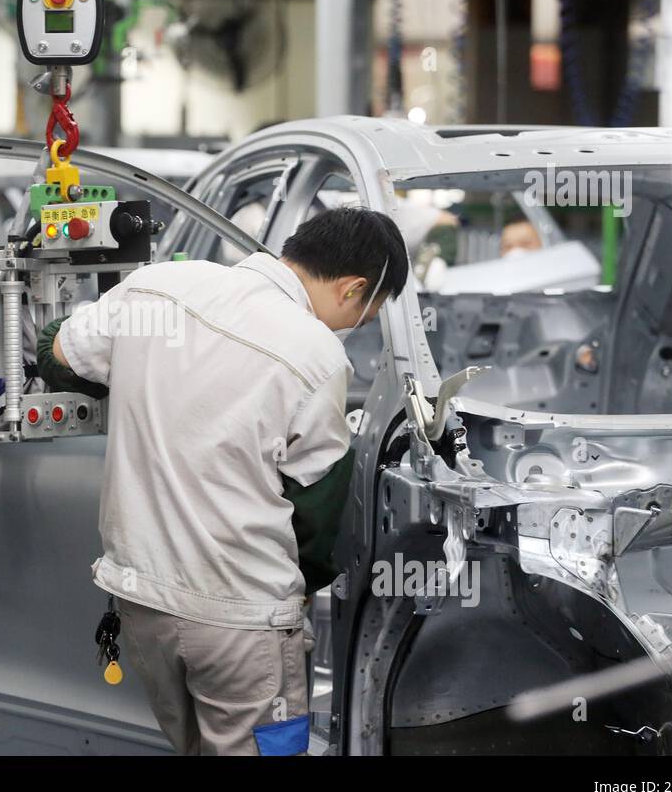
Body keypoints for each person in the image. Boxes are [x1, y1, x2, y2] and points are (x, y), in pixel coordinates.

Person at [38, 207, 409, 755]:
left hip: (142, 603)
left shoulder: (157, 287)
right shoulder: (316, 354)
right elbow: (318, 507)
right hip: (243, 622)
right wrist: (300, 590)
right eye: (370, 311)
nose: (360, 324)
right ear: (354, 289)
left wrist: (139, 382)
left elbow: (57, 352)